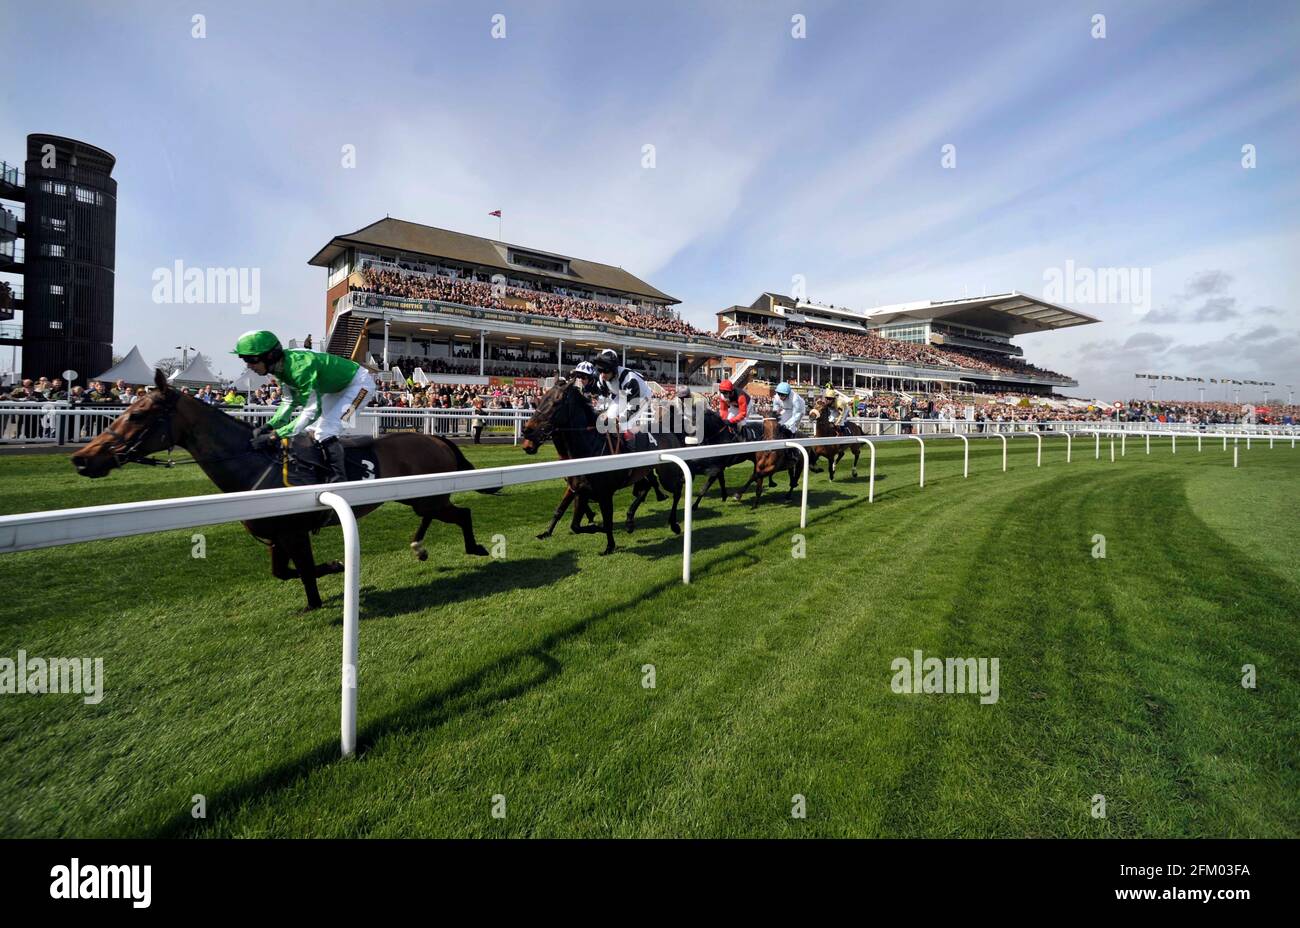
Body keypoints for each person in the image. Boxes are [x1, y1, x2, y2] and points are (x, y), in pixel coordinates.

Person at [232, 329, 376, 483]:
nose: (248, 365)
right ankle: (318, 470)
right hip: (336, 388)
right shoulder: (280, 367)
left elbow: (312, 411)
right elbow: (288, 402)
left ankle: (339, 479)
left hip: (360, 385)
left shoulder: (300, 368)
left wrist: (276, 435)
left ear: (269, 356)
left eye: (251, 359)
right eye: (245, 360)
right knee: (311, 431)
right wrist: (268, 426)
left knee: (326, 431)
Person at [591, 348, 649, 438]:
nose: (602, 374)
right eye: (600, 370)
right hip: (622, 395)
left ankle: (630, 448)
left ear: (613, 369)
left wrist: (620, 418)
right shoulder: (602, 379)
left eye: (605, 371)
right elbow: (603, 400)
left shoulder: (629, 379)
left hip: (642, 398)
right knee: (607, 418)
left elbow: (633, 407)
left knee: (625, 426)